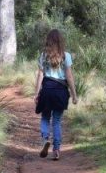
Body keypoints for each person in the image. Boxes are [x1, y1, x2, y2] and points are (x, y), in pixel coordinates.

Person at [33, 29, 78, 160]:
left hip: (47, 90)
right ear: (60, 41)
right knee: (57, 121)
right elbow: (69, 76)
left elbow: (40, 75)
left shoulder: (43, 56)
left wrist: (36, 93)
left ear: (48, 41)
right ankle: (57, 149)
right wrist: (74, 95)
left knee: (45, 118)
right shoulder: (66, 56)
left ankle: (45, 139)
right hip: (61, 91)